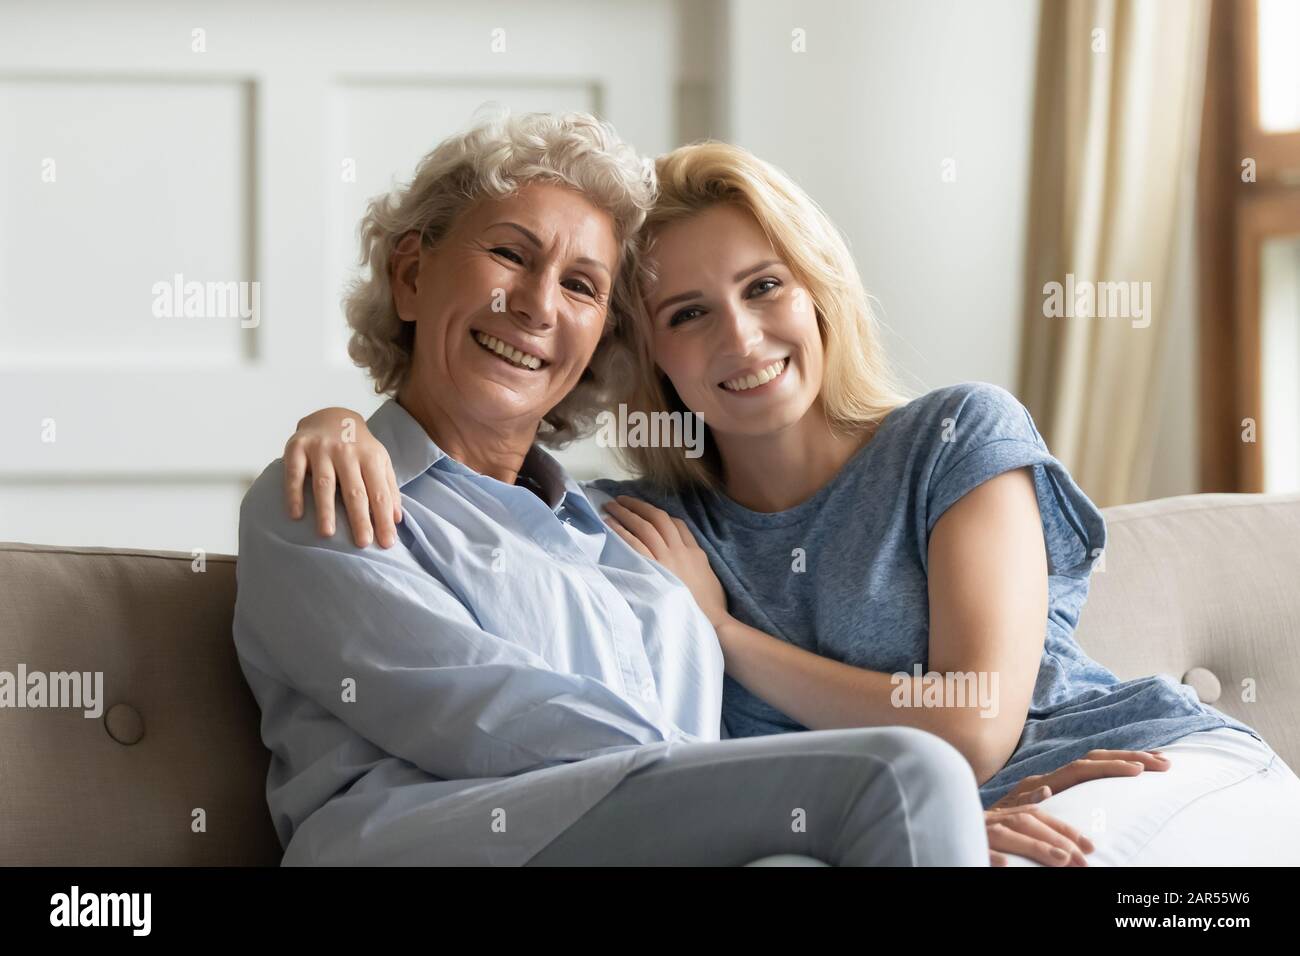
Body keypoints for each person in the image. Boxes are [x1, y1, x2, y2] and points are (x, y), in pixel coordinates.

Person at [290, 139, 1300, 866]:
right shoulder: (627, 530)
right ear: (647, 360)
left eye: (764, 285)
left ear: (817, 289)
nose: (740, 336)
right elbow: (477, 493)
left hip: (1126, 766)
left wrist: (725, 632)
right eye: (688, 313)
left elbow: (973, 724)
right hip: (911, 829)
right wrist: (340, 421)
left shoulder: (954, 436)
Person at [234, 111, 1014, 868]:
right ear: (411, 276)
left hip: (655, 839)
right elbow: (487, 717)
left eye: (581, 285)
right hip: (442, 843)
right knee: (906, 774)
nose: (538, 305)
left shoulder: (627, 534)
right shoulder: (323, 493)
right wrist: (866, 800)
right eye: (510, 254)